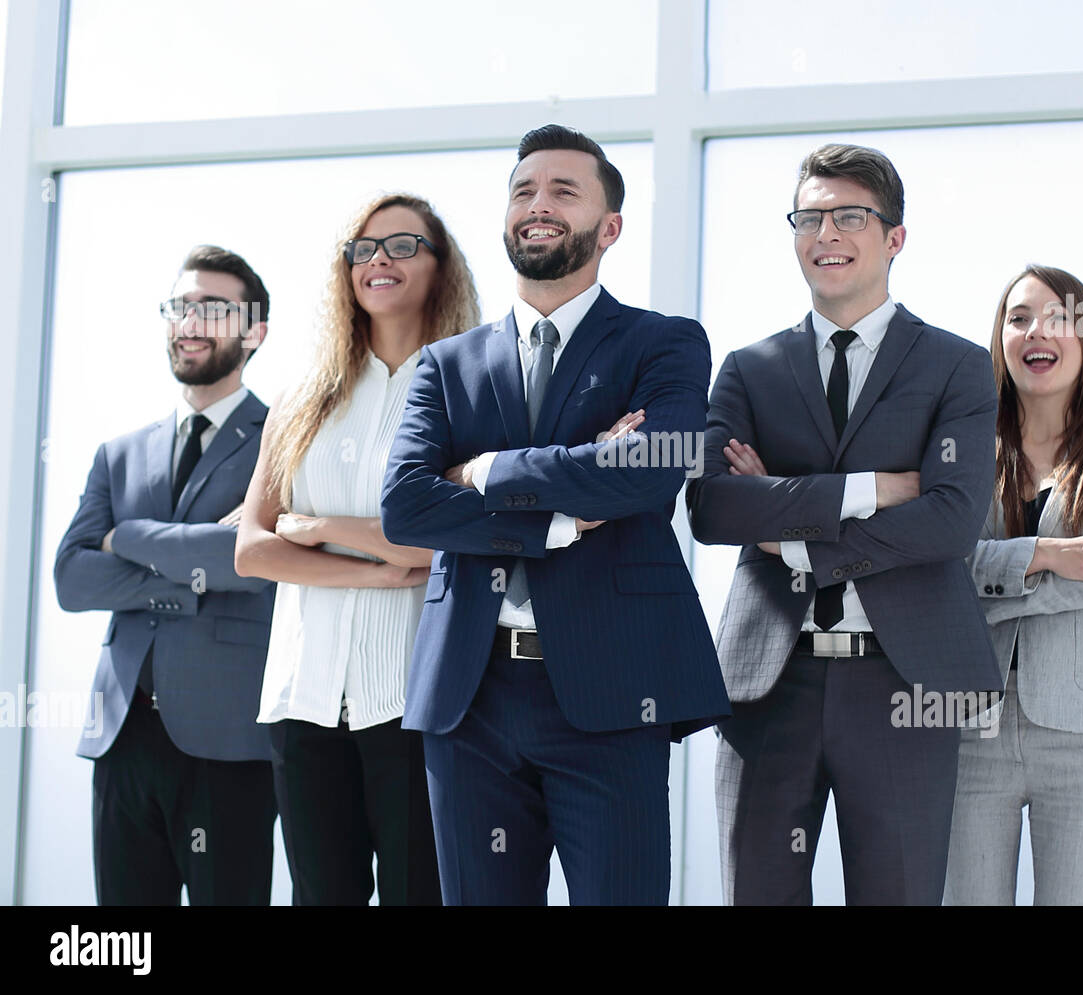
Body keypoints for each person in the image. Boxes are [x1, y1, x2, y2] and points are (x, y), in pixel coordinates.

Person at [381, 124, 730, 906]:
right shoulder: (446, 363)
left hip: (612, 692)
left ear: (609, 228)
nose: (537, 206)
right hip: (469, 697)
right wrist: (558, 518)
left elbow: (650, 470)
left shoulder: (663, 343)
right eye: (523, 190)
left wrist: (485, 470)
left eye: (563, 191)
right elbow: (405, 507)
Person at [686, 143, 1001, 905]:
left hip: (904, 685)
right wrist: (873, 489)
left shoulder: (957, 367)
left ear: (894, 237)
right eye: (809, 217)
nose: (825, 233)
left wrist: (788, 529)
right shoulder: (747, 367)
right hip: (768, 680)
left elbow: (952, 521)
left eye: (849, 215)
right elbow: (714, 508)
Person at [234, 194, 478, 905]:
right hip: (302, 697)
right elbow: (252, 549)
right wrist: (380, 570)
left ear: (442, 268)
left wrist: (321, 528)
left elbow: (464, 543)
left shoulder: (471, 396)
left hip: (414, 697)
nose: (379, 261)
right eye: (364, 249)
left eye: (404, 246)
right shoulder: (302, 399)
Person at [53, 245, 277, 905]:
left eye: (212, 308)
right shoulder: (118, 453)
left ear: (255, 329)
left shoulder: (285, 439)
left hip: (229, 741)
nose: (190, 321)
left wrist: (128, 538)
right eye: (180, 306)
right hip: (122, 734)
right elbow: (72, 579)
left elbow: (253, 563)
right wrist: (192, 573)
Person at [943, 265, 1083, 905]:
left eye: (1062, 318)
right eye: (1020, 318)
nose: (1039, 332)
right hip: (966, 733)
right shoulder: (961, 449)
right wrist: (1049, 553)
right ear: (1000, 339)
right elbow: (937, 568)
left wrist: (995, 578)